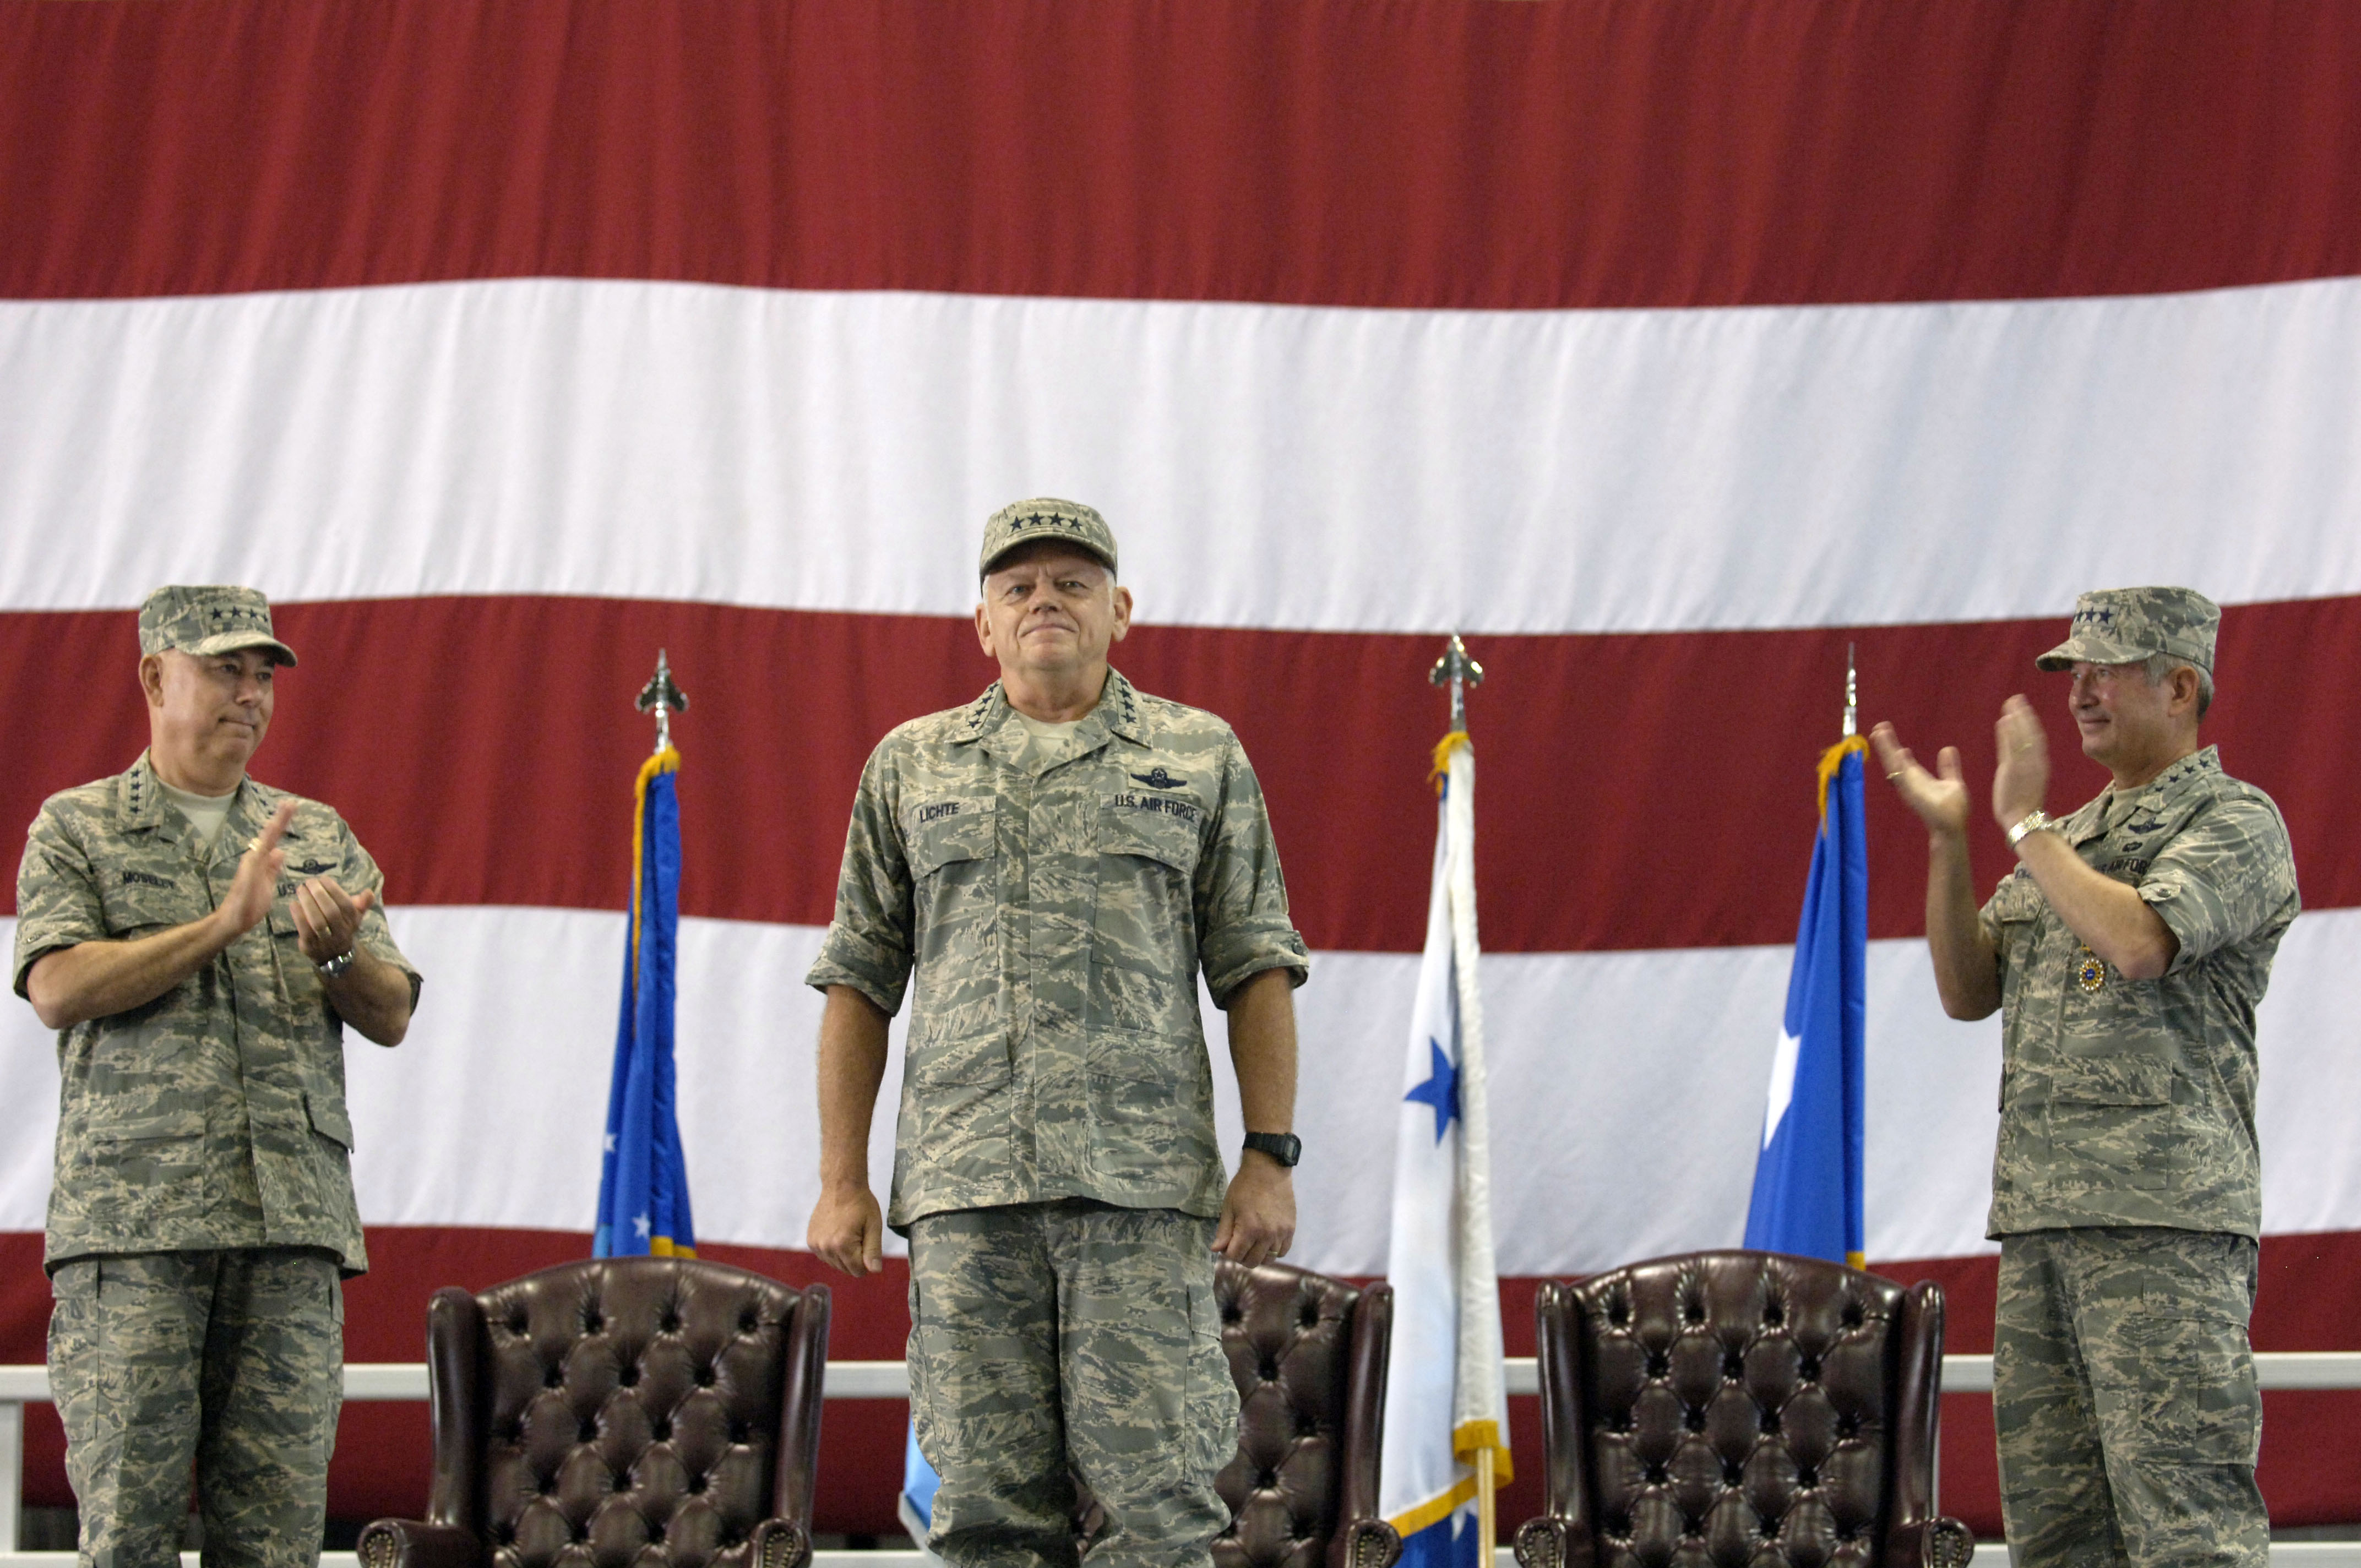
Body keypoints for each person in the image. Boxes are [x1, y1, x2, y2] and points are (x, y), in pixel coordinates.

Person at [804, 499, 1307, 1568]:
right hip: (967, 1193)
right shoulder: (911, 764)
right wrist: (840, 1174)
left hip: (1137, 1191)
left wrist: (1268, 1154)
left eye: (1071, 582)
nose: (1044, 600)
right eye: (1017, 585)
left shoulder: (1198, 753)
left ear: (1118, 609)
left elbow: (1255, 963)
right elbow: (857, 980)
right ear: (980, 620)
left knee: (1160, 1508)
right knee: (986, 1515)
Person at [1872, 586, 2297, 1568]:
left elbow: (2143, 941)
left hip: (2165, 1230)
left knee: (2185, 1528)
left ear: (2181, 685)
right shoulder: (2069, 839)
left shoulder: (2235, 823)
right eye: (2073, 673)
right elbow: (1969, 989)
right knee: (2059, 1538)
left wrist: (2023, 823)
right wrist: (1952, 839)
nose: (2081, 692)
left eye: (2108, 670)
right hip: (2042, 1227)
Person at [14, 585, 422, 1568]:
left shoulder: (313, 835)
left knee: (277, 1546)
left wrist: (335, 958)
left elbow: (394, 1013)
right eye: (224, 670)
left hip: (289, 1233)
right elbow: (59, 987)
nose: (250, 694)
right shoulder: (78, 827)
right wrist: (218, 928)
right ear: (156, 676)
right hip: (136, 1236)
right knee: (131, 1538)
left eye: (261, 675)